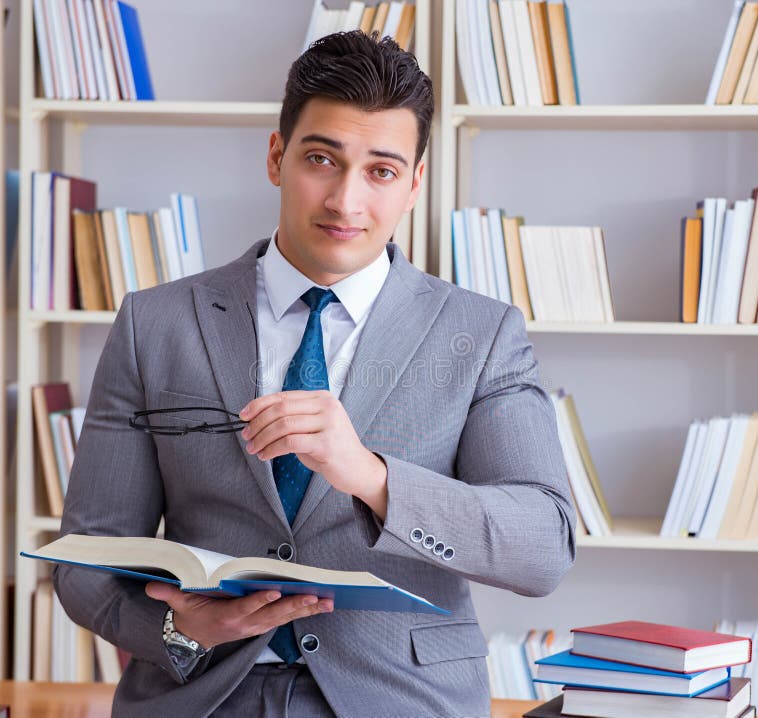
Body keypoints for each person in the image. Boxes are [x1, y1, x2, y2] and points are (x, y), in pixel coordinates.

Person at [54, 31, 575, 718]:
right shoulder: (157, 323)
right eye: (322, 160)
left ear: (415, 182)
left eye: (381, 171)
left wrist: (369, 475)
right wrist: (181, 630)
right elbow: (85, 561)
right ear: (277, 156)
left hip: (401, 701)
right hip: (201, 697)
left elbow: (542, 547)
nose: (345, 201)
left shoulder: (480, 334)